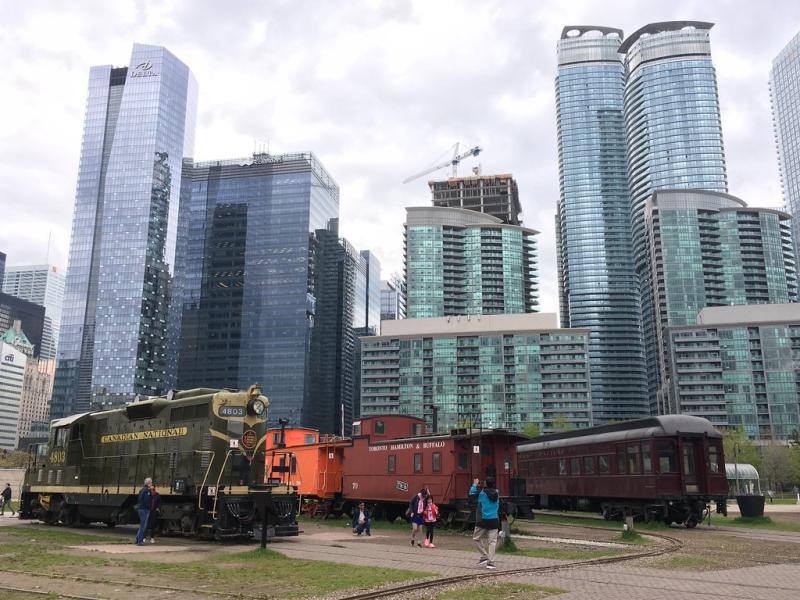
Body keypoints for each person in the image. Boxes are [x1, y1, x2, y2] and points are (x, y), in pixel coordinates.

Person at [469, 477, 500, 569]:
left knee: (476, 538)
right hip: (494, 519)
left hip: (483, 520)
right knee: (492, 542)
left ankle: (484, 555)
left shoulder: (482, 493)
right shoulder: (497, 493)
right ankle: (491, 562)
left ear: (485, 484)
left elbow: (471, 496)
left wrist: (475, 484)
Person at [135, 477, 153, 545]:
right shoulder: (147, 491)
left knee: (141, 525)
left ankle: (137, 539)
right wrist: (149, 507)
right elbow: (146, 501)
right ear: (148, 483)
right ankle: (140, 541)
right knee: (143, 526)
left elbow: (139, 499)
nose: (152, 484)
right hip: (144, 509)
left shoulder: (142, 489)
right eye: (151, 482)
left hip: (141, 508)